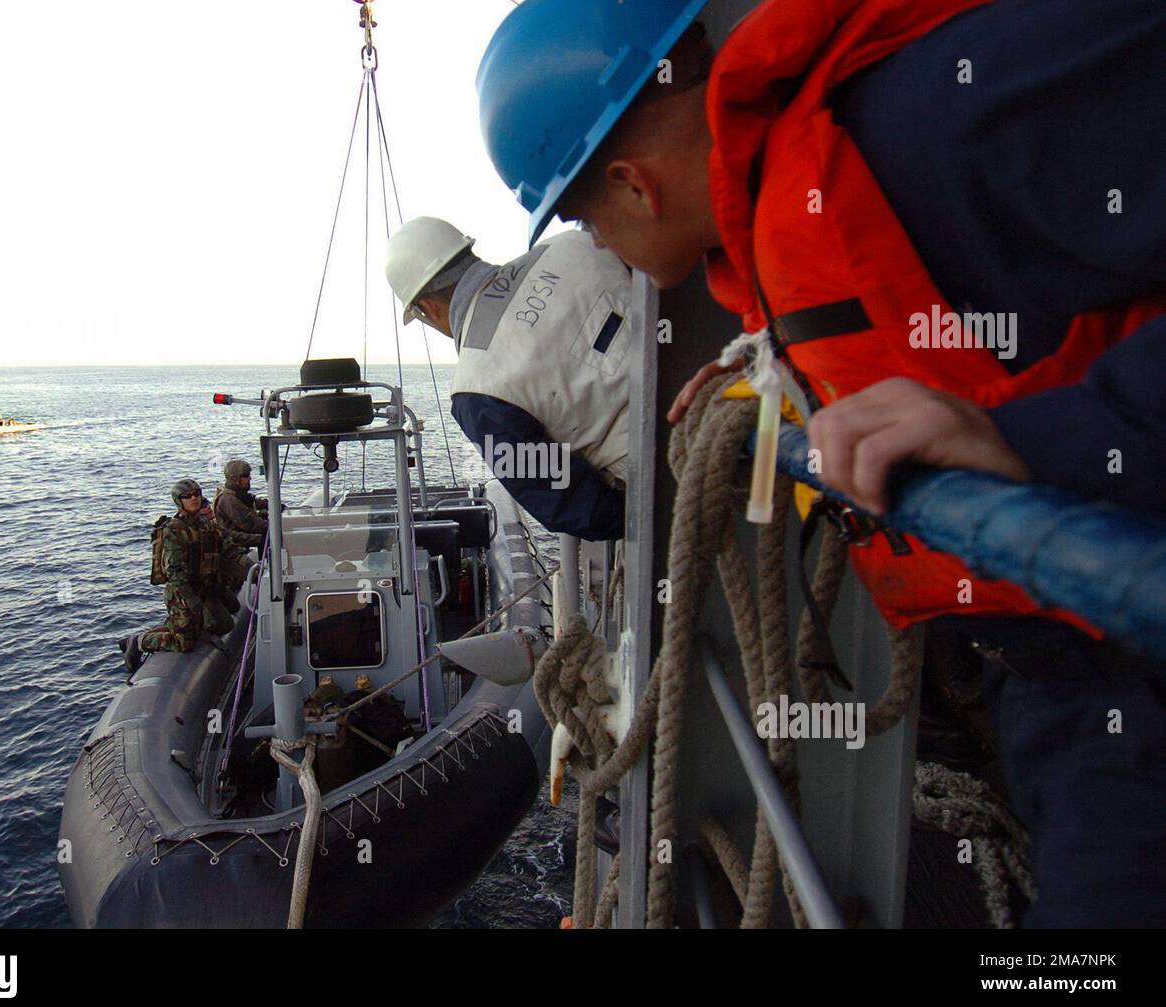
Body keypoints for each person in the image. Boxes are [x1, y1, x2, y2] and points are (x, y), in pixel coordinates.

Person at [476, 0, 1166, 926]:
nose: (597, 245)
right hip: (1039, 658)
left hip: (1121, 643)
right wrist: (774, 376)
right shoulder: (775, 215)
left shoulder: (937, 119)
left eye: (586, 218)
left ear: (635, 186)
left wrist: (1046, 442)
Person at [385, 216, 631, 542]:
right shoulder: (573, 243)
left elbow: (569, 504)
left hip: (671, 468)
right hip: (712, 365)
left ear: (427, 308)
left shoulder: (475, 390)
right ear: (468, 254)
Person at [118, 479, 242, 673]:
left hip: (203, 587)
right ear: (179, 500)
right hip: (182, 592)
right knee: (183, 643)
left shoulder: (204, 523)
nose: (194, 498)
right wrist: (193, 602)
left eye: (197, 494)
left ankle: (187, 626)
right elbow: (175, 573)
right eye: (187, 496)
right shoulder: (175, 530)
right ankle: (140, 641)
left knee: (225, 624)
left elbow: (225, 542)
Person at [213, 459, 269, 552]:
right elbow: (253, 525)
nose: (250, 478)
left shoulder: (234, 494)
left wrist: (270, 504)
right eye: (246, 476)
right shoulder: (229, 500)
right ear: (235, 479)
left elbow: (253, 502)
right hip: (233, 551)